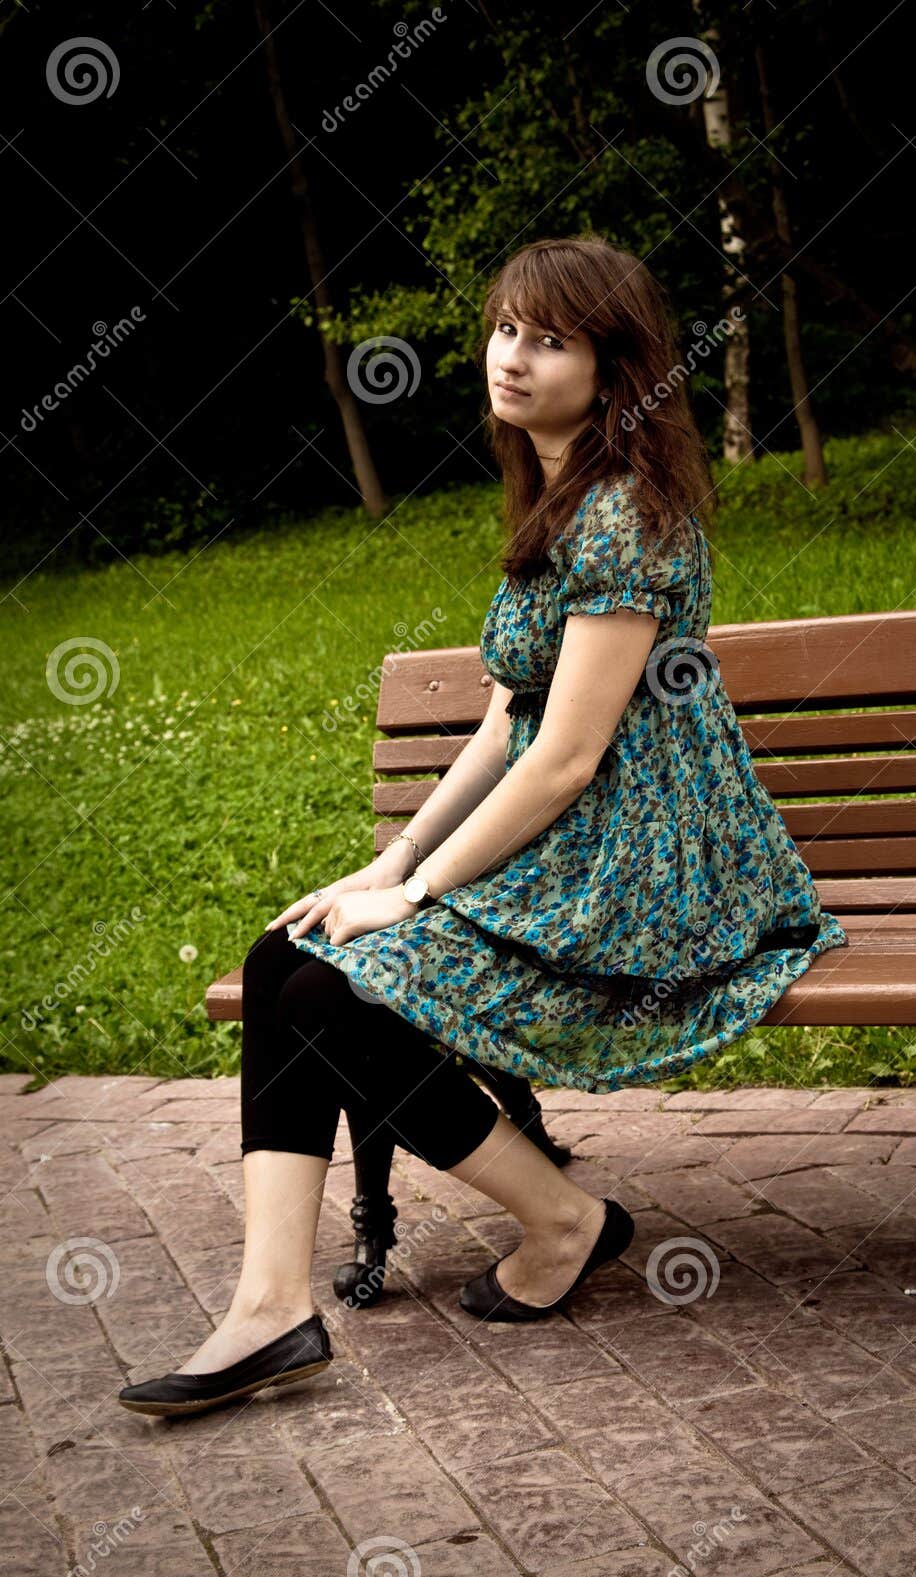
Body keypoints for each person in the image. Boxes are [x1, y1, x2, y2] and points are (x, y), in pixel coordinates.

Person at [118, 235, 848, 1419]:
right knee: (289, 964)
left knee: (332, 989)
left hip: (651, 869)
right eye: (505, 329)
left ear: (614, 370)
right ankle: (270, 1309)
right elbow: (509, 718)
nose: (512, 358)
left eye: (549, 340)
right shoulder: (557, 497)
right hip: (580, 850)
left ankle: (559, 1219)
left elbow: (564, 759)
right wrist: (394, 859)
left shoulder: (622, 519)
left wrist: (411, 897)